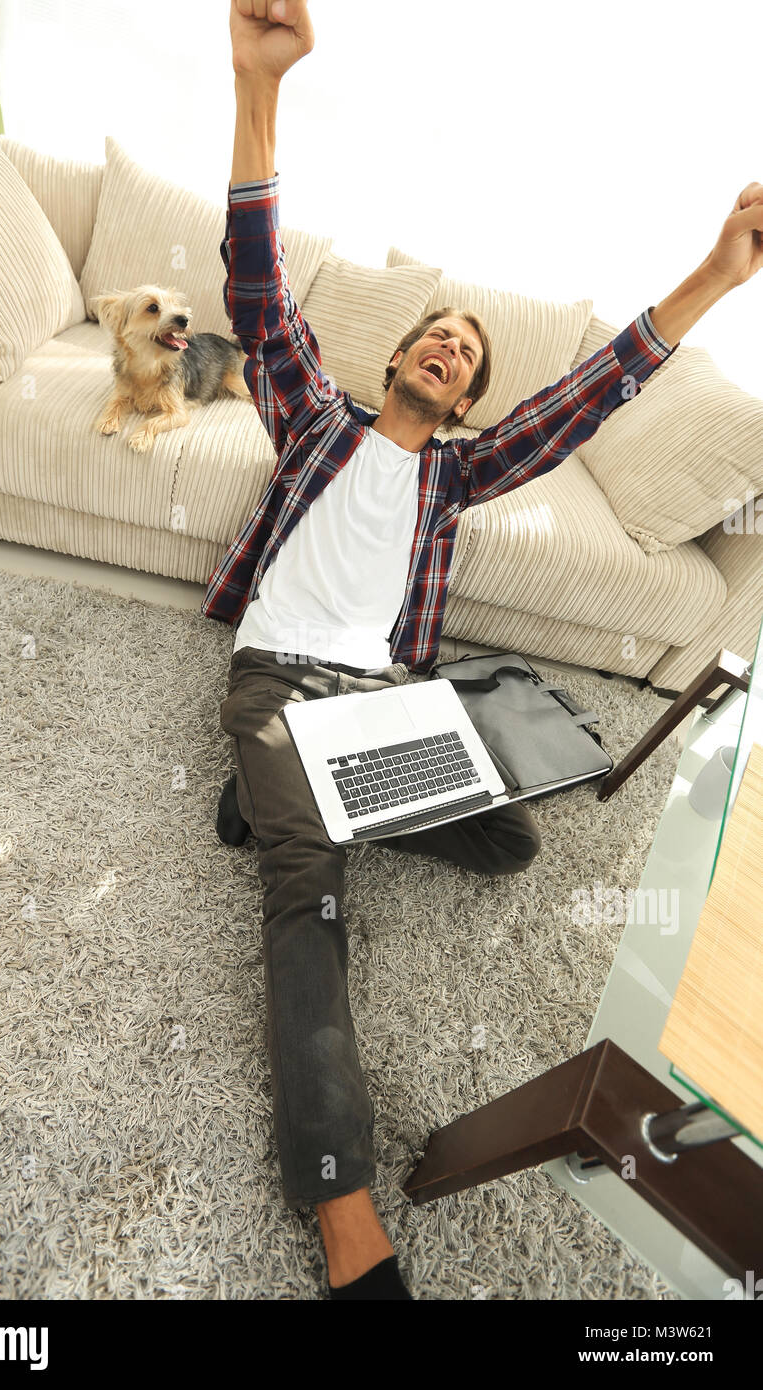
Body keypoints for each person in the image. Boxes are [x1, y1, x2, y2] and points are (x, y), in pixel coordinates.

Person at [205, 0, 763, 1301]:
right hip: (282, 685)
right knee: (311, 898)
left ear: (461, 401)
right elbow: (250, 278)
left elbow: (583, 401)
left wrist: (712, 276)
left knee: (510, 836)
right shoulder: (314, 419)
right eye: (431, 334)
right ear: (391, 361)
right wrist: (258, 86)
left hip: (378, 696)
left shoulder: (455, 479)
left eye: (464, 353)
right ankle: (347, 1219)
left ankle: (277, 802)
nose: (445, 345)